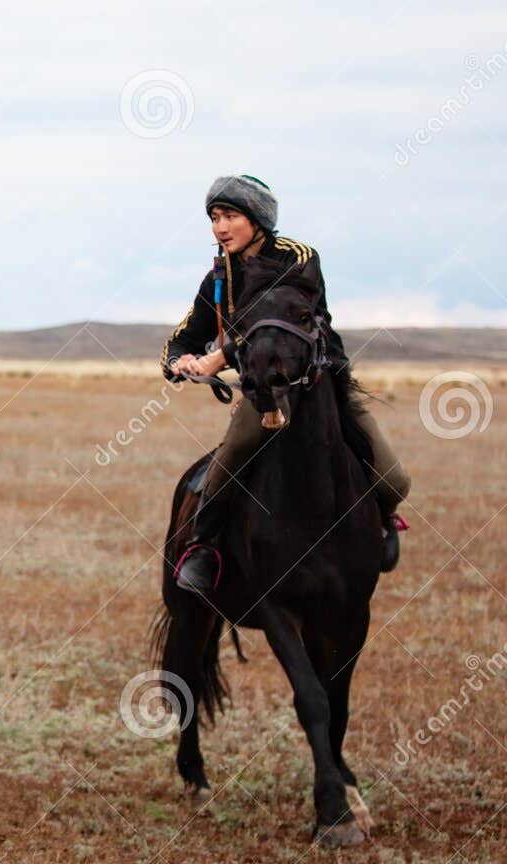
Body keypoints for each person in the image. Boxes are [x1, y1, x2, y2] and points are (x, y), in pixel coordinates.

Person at [164, 174, 409, 593]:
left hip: (321, 384)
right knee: (233, 456)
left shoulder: (297, 258)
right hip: (263, 393)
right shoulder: (218, 277)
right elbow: (184, 336)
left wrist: (222, 355)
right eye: (214, 218)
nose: (220, 227)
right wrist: (179, 361)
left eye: (230, 216)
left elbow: (272, 320)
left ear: (257, 219)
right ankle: (204, 546)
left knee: (393, 478)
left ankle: (380, 523)